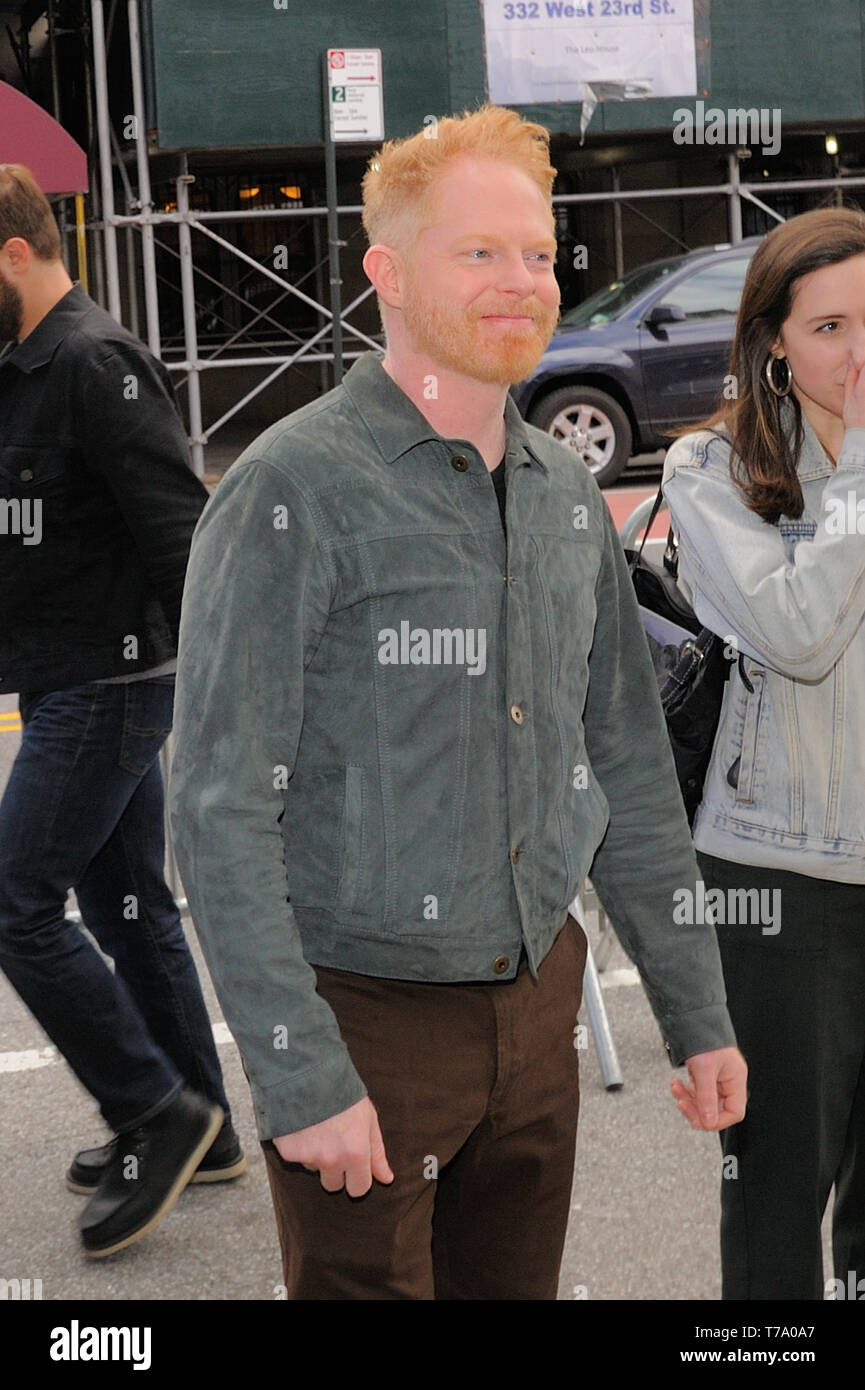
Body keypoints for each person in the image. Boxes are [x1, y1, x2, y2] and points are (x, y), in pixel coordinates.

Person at [169, 105, 746, 1301]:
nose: (522, 281)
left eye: (538, 254)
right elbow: (219, 811)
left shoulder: (559, 495)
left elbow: (627, 773)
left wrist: (695, 1011)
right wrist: (298, 1073)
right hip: (367, 1023)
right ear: (386, 270)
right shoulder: (293, 489)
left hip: (540, 1009)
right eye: (477, 252)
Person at [0, 163, 245, 1260]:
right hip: (66, 675)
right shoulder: (23, 363)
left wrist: (231, 707)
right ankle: (209, 1120)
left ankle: (154, 1110)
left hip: (112, 682)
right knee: (132, 906)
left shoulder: (97, 361)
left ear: (14, 251)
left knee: (14, 902)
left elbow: (183, 533)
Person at [663, 206, 865, 1301]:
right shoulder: (712, 469)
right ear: (773, 342)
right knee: (780, 1190)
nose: (858, 353)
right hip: (783, 882)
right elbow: (798, 634)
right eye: (831, 325)